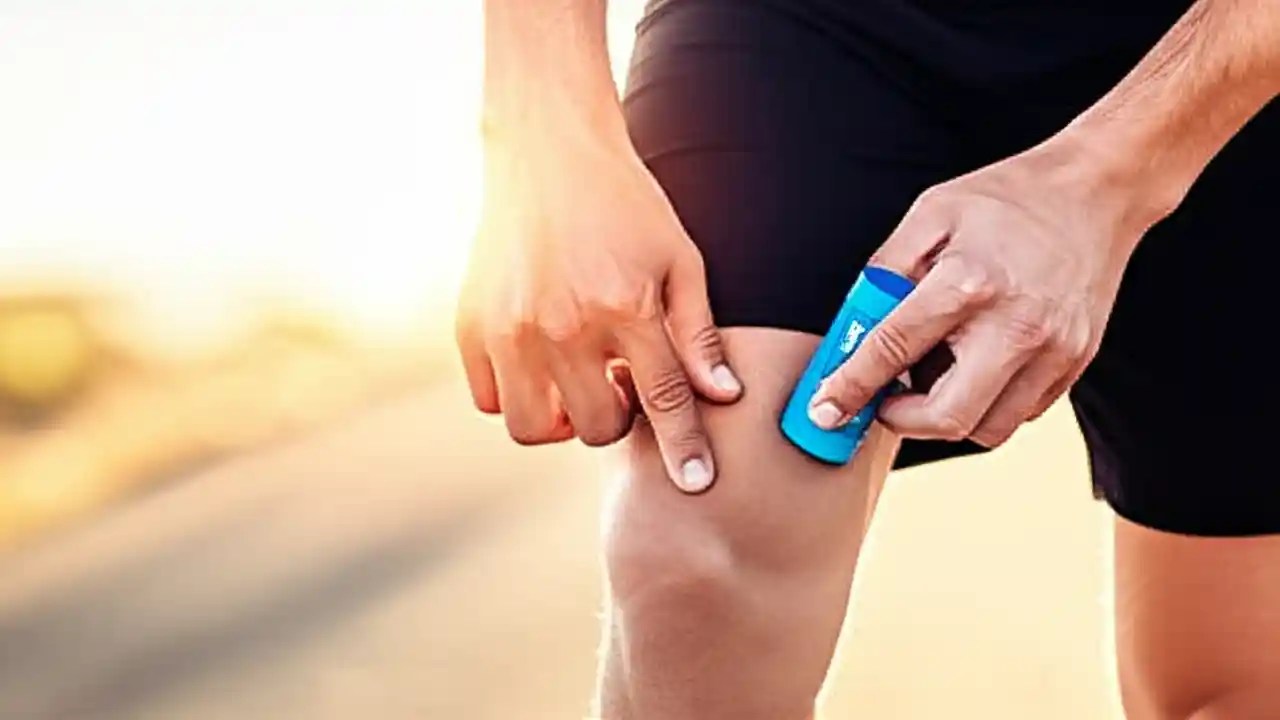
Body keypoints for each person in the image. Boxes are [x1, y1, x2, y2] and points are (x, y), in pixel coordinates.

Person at [458, 0, 1280, 717]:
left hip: (1235, 55)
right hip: (815, 31)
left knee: (1241, 692)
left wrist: (1108, 178)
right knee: (700, 560)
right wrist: (543, 134)